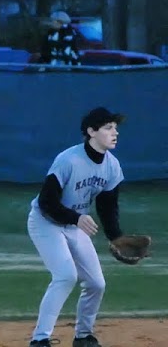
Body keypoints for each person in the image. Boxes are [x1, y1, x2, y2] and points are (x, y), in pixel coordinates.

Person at [27, 107, 128, 347]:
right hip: (45, 222)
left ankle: (83, 336)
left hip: (74, 225)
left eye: (115, 128)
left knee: (96, 283)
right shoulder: (68, 160)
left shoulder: (112, 166)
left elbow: (107, 206)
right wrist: (76, 218)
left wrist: (115, 237)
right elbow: (46, 202)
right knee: (65, 276)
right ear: (91, 131)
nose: (115, 133)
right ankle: (39, 339)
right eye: (108, 128)